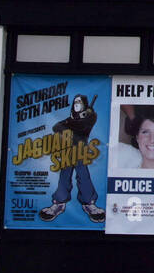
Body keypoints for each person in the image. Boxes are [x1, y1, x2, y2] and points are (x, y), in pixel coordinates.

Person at [39, 95, 105, 223]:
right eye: (75, 101)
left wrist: (73, 125)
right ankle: (58, 203)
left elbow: (83, 127)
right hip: (68, 151)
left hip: (81, 151)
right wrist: (70, 125)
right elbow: (56, 127)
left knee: (83, 175)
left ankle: (89, 203)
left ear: (84, 104)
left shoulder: (91, 116)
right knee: (64, 175)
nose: (77, 104)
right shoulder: (71, 119)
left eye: (79, 102)